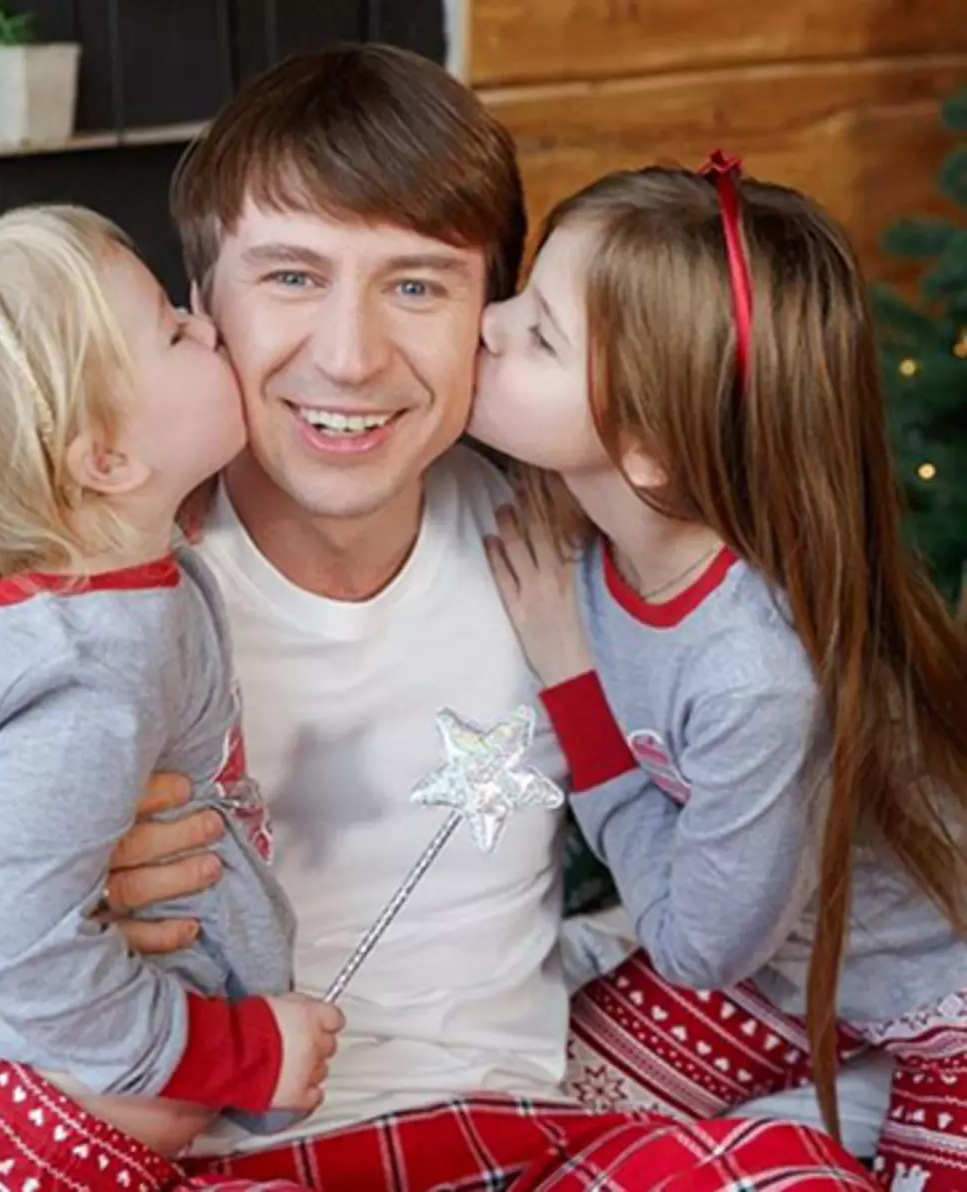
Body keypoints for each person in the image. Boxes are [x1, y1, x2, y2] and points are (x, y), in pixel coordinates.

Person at [0, 47, 875, 1191]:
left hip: (508, 1138)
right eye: (291, 278)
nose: (349, 360)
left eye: (417, 285)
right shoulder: (28, 594)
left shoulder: (568, 551)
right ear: (198, 308)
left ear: (491, 318)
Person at [471, 155, 967, 1191]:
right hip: (782, 974)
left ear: (649, 445)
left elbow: (698, 945)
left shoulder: (753, 669)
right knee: (524, 1126)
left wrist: (571, 680)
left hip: (942, 1003)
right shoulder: (596, 528)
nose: (487, 320)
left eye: (540, 333)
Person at [0, 203, 343, 1189]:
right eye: (174, 328)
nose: (208, 326)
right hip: (27, 1155)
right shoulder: (84, 676)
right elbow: (7, 932)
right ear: (105, 460)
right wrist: (232, 1052)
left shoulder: (109, 584)